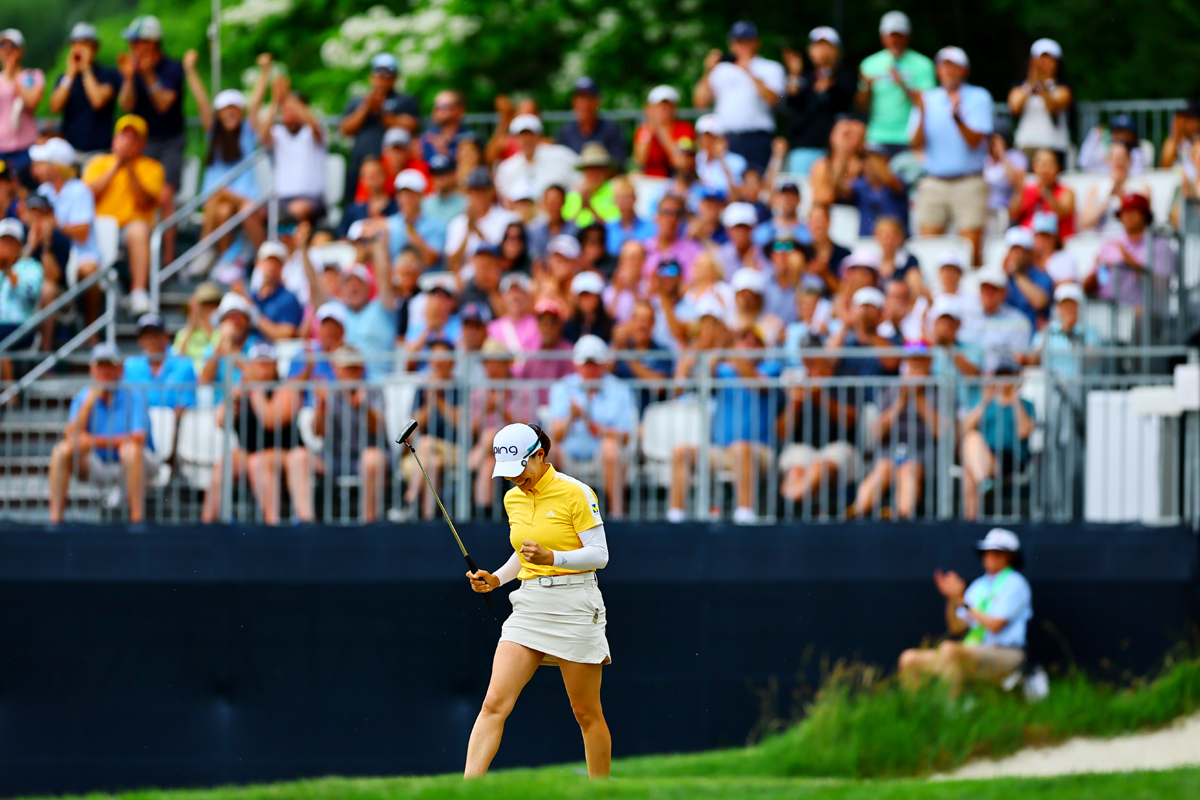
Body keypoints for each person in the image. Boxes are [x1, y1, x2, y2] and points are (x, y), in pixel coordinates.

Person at [464, 422, 611, 778]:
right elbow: (525, 553)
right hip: (529, 605)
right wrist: (496, 578)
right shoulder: (513, 497)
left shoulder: (576, 492)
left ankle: (601, 790)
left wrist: (554, 558)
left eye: (520, 470)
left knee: (585, 712)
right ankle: (467, 790)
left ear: (540, 456)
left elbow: (599, 555)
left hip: (575, 604)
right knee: (494, 703)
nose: (515, 480)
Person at [670, 325, 780, 524]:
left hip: (760, 451)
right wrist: (716, 350)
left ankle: (745, 516)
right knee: (680, 452)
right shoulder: (724, 369)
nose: (749, 344)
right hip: (721, 451)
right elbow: (699, 381)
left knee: (741, 448)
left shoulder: (771, 368)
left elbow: (756, 383)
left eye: (755, 341)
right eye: (744, 340)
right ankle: (674, 518)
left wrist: (731, 350)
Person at [898, 528, 1032, 691]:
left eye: (998, 552)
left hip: (1006, 653)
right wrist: (952, 598)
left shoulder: (1016, 583)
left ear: (1011, 556)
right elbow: (956, 627)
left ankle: (951, 713)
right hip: (974, 649)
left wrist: (963, 601)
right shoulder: (978, 586)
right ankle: (918, 713)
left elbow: (995, 625)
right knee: (909, 659)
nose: (990, 556)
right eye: (987, 552)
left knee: (950, 650)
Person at [49, 344, 156, 525]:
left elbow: (138, 438)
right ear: (92, 370)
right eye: (100, 366)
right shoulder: (84, 396)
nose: (105, 371)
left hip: (140, 462)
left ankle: (137, 522)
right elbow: (70, 436)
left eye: (110, 366)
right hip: (99, 464)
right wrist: (89, 402)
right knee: (61, 451)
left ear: (120, 369)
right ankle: (55, 522)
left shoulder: (135, 394)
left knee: (130, 450)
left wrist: (93, 442)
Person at [200, 342, 301, 525]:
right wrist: (234, 400)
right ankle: (209, 523)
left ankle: (272, 523)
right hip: (251, 451)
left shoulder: (285, 389)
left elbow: (271, 421)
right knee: (224, 465)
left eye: (267, 363)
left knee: (258, 462)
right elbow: (221, 421)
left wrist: (256, 390)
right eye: (258, 363)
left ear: (275, 365)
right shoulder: (242, 391)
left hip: (286, 452)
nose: (263, 367)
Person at [910, 46, 993, 265]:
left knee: (971, 251)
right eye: (943, 65)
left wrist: (957, 118)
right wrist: (921, 113)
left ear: (964, 70)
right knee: (928, 249)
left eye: (953, 66)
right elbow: (915, 143)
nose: (947, 71)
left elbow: (975, 140)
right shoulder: (926, 99)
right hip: (934, 182)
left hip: (968, 182)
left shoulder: (979, 97)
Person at [286, 346, 387, 524]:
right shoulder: (328, 394)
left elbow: (379, 428)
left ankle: (369, 523)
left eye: (354, 367)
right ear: (336, 369)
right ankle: (306, 522)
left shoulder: (373, 391)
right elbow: (317, 432)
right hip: (332, 459)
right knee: (298, 456)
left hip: (362, 459)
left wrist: (364, 408)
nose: (350, 372)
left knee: (372, 458)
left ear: (361, 368)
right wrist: (322, 406)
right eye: (345, 367)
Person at [185, 54, 269, 269]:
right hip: (220, 203)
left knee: (219, 192)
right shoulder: (213, 134)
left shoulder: (248, 134)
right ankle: (225, 260)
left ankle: (204, 247)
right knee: (222, 210)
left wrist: (265, 72)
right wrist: (190, 70)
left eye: (235, 108)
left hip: (243, 198)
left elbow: (257, 101)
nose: (231, 113)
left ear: (240, 112)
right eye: (226, 109)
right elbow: (202, 101)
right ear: (219, 113)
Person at [116, 16, 185, 263]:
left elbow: (164, 104)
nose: (132, 46)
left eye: (137, 41)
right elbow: (126, 104)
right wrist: (128, 77)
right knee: (138, 194)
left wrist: (146, 75)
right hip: (143, 142)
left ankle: (168, 261)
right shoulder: (133, 71)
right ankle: (144, 258)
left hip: (170, 140)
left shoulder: (172, 68)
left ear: (152, 42)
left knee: (165, 197)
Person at [81, 114, 163, 314]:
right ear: (114, 140)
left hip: (131, 228)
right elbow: (85, 196)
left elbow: (145, 201)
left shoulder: (152, 167)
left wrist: (129, 168)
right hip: (99, 227)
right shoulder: (98, 163)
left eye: (134, 138)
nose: (128, 142)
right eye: (124, 136)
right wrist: (116, 166)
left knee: (138, 231)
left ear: (142, 143)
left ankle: (138, 292)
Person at [548, 335, 637, 518]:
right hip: (568, 455)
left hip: (602, 454)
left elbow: (626, 435)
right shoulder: (562, 387)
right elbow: (554, 435)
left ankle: (616, 515)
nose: (589, 369)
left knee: (610, 449)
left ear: (603, 363)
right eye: (585, 363)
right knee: (545, 453)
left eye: (594, 363)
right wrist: (572, 418)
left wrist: (593, 425)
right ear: (576, 364)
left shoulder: (620, 389)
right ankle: (551, 517)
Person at [851, 342, 939, 519]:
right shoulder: (891, 390)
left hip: (923, 455)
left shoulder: (938, 390)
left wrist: (919, 397)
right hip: (889, 453)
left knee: (908, 470)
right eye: (912, 360)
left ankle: (902, 518)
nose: (916, 365)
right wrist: (902, 399)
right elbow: (876, 432)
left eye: (920, 360)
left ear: (929, 362)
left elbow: (941, 432)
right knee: (883, 468)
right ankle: (857, 512)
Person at [31, 137, 102, 330]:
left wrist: (55, 224)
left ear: (55, 168)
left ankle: (91, 327)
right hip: (55, 253)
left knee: (88, 271)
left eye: (41, 164)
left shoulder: (80, 190)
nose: (35, 168)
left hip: (82, 254)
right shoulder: (43, 190)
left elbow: (82, 234)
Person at [777, 338, 858, 507]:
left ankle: (788, 501)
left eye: (813, 353)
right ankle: (792, 501)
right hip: (803, 448)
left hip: (839, 446)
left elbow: (851, 420)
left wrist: (819, 396)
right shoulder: (797, 382)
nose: (809, 359)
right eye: (805, 355)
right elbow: (782, 432)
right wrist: (795, 404)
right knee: (796, 469)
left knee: (820, 467)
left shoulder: (845, 376)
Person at [693, 21, 785, 169]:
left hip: (758, 139)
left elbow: (777, 99)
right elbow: (700, 102)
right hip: (727, 139)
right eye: (736, 41)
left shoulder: (771, 67)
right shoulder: (721, 70)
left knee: (757, 184)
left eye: (744, 41)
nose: (740, 46)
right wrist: (708, 71)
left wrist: (748, 71)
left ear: (755, 43)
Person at [338, 53, 419, 205]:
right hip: (360, 166)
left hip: (391, 168)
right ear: (371, 76)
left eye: (387, 74)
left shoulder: (405, 100)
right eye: (378, 73)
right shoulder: (357, 101)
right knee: (355, 206)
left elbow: (411, 125)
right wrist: (366, 108)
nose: (382, 78)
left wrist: (381, 111)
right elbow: (345, 129)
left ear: (395, 77)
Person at [960, 362, 1035, 520]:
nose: (1004, 380)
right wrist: (984, 401)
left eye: (1008, 376)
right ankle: (973, 515)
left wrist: (1014, 399)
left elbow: (1024, 431)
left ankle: (971, 520)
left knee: (969, 472)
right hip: (986, 456)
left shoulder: (1026, 404)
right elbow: (964, 429)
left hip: (1011, 457)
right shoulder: (985, 403)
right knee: (971, 440)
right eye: (1000, 376)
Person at [856, 11, 935, 156]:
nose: (895, 40)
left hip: (910, 137)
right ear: (882, 37)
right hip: (876, 136)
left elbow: (928, 106)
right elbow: (861, 107)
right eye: (891, 35)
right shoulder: (869, 64)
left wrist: (904, 85)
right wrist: (866, 88)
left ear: (908, 37)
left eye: (899, 35)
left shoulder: (924, 65)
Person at [781, 27, 855, 176]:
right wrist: (794, 73)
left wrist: (828, 73)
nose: (822, 51)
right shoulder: (804, 79)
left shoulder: (846, 78)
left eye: (827, 46)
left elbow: (846, 102)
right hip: (803, 149)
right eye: (818, 46)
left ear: (837, 50)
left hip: (834, 153)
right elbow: (791, 102)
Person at [1084, 193, 1174, 311]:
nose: (1128, 215)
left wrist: (1129, 261)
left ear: (1145, 216)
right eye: (1124, 211)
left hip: (1144, 314)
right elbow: (1088, 287)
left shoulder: (1160, 246)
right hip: (1107, 310)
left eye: (1133, 211)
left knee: (1140, 313)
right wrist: (1095, 275)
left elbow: (1161, 286)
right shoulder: (1110, 245)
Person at [259, 72, 327, 223]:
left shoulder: (313, 131)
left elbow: (314, 125)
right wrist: (276, 101)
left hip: (310, 199)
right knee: (254, 213)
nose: (290, 112)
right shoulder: (278, 133)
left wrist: (287, 95)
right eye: (286, 109)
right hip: (280, 199)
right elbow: (262, 137)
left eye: (294, 108)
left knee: (296, 210)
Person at [48, 23, 122, 157]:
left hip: (99, 150)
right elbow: (55, 107)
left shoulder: (108, 75)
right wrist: (70, 74)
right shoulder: (65, 78)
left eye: (83, 44)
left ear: (95, 48)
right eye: (75, 44)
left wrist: (86, 70)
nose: (78, 49)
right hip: (70, 151)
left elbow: (98, 101)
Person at [1009, 39, 1072, 165]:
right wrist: (1031, 83)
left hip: (1053, 146)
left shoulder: (1063, 88)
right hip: (1025, 146)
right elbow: (1014, 107)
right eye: (1040, 60)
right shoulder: (1021, 87)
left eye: (1048, 59)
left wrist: (1041, 85)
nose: (1043, 64)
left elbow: (1053, 107)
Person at [445, 168, 519, 270]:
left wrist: (476, 230)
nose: (477, 195)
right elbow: (451, 263)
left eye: (482, 190)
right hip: (468, 279)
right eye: (473, 190)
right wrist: (468, 232)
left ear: (491, 191)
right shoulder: (457, 223)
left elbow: (505, 258)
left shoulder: (508, 219)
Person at [494, 114, 578, 204]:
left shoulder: (561, 156)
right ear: (514, 139)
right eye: (522, 136)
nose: (526, 140)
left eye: (530, 135)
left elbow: (581, 178)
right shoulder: (506, 168)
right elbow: (507, 201)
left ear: (538, 136)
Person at [122, 313, 196, 412]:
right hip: (141, 426)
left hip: (177, 425)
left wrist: (171, 424)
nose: (150, 340)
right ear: (139, 340)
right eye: (146, 336)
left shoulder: (184, 366)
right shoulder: (130, 367)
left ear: (165, 336)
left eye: (155, 335)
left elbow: (186, 404)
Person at [0, 218, 43, 384]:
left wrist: (9, 269)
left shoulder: (31, 266)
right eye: (4, 242)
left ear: (19, 245)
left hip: (22, 326)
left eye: (12, 242)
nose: (7, 247)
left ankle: (10, 393)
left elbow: (30, 295)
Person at [961, 267, 1033, 365]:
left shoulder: (1019, 321)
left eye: (994, 289)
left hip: (1001, 378)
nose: (988, 293)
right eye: (985, 288)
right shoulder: (965, 316)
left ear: (1005, 292)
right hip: (965, 377)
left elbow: (1019, 359)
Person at [0, 28, 45, 182]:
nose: (7, 50)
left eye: (11, 46)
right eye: (3, 46)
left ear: (20, 50)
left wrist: (14, 77)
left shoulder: (32, 76)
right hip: (1, 148)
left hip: (25, 147)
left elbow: (32, 103)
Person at [1029, 282, 1099, 376]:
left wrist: (1070, 334)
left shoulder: (1090, 331)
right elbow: (1033, 360)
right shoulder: (1048, 329)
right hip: (1052, 386)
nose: (1068, 309)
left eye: (1072, 305)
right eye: (1064, 305)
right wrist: (1045, 338)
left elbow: (1090, 360)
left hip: (1082, 386)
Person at [840, 142, 908, 238]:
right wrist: (843, 154)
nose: (870, 164)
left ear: (886, 161)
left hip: (895, 244)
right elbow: (840, 189)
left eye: (876, 160)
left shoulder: (897, 181)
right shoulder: (860, 185)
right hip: (866, 244)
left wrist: (867, 153)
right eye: (865, 160)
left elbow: (890, 180)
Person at [557, 76, 627, 166]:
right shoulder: (565, 133)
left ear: (598, 101)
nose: (585, 104)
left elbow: (619, 164)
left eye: (589, 98)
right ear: (574, 102)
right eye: (581, 99)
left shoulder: (612, 131)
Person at [1078, 143, 1147, 234]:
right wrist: (1106, 200)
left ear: (1129, 160)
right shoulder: (1096, 188)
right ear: (1108, 160)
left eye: (1122, 157)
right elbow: (1084, 224)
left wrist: (1122, 198)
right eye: (1115, 158)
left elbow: (1146, 221)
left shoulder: (1142, 188)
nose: (1119, 162)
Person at [1009, 148, 1075, 240]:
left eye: (1049, 164)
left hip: (1055, 243)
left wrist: (1048, 194)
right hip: (1027, 242)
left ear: (1057, 168)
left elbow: (1062, 213)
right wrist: (1018, 189)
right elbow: (1012, 215)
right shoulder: (1026, 190)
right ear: (1034, 167)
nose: (1045, 169)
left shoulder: (1067, 192)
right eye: (1042, 164)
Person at [632, 85, 694, 178]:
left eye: (668, 106)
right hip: (650, 179)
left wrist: (663, 132)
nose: (664, 110)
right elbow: (639, 160)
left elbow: (679, 162)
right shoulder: (643, 130)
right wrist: (649, 132)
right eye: (659, 106)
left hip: (676, 180)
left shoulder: (685, 129)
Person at [385, 169, 444, 265]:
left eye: (410, 194)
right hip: (397, 278)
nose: (405, 198)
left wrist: (410, 228)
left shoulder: (436, 224)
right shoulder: (389, 223)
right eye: (401, 194)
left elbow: (430, 260)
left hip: (427, 278)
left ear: (420, 196)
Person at [1000, 225, 1053, 329]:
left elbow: (1039, 302)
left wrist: (1017, 274)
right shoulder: (1004, 278)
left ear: (1029, 254)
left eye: (1019, 251)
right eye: (1012, 250)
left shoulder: (1042, 277)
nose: (1015, 255)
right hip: (1006, 334)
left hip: (1032, 337)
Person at [641, 194, 703, 282]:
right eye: (666, 212)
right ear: (657, 216)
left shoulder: (694, 251)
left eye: (677, 214)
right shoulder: (644, 249)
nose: (671, 219)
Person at [563, 144, 619, 227]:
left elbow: (615, 230)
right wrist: (581, 207)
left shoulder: (616, 192)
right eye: (589, 168)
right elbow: (565, 229)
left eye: (598, 168)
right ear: (583, 171)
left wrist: (590, 207)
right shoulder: (572, 195)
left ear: (606, 171)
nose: (593, 173)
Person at [172, 281, 224, 370]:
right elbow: (176, 360)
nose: (207, 309)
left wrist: (205, 325)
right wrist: (191, 326)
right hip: (188, 379)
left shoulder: (222, 331)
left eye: (212, 304)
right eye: (204, 305)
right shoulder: (183, 333)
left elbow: (219, 354)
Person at [983, 129, 1029, 228]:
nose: (994, 145)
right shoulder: (984, 158)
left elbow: (1015, 182)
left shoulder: (1016, 156)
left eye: (997, 141)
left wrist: (1002, 156)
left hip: (1006, 210)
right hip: (985, 210)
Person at [694, 115, 747, 197]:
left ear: (722, 139)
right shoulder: (695, 158)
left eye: (712, 137)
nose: (707, 141)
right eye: (704, 137)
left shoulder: (737, 161)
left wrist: (721, 159)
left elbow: (737, 194)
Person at [1077, 114, 1147, 175]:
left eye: (1125, 132)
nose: (1122, 136)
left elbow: (1138, 173)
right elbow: (1083, 163)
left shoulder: (1137, 154)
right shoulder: (1105, 150)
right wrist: (1094, 136)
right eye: (1119, 132)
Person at [604, 178, 654, 255]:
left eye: (628, 197)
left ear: (635, 198)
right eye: (620, 198)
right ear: (614, 201)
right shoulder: (608, 228)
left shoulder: (651, 227)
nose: (625, 202)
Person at [420, 89, 470, 162]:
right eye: (436, 107)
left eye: (443, 107)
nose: (436, 111)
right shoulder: (426, 138)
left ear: (459, 110)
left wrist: (447, 154)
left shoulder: (469, 138)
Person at [565, 271, 613, 343]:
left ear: (598, 297)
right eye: (583, 296)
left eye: (590, 295)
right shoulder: (568, 327)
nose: (587, 300)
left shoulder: (610, 326)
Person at [1160, 98, 1200, 171]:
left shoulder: (1197, 142)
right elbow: (1164, 168)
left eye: (1190, 119)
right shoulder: (1173, 142)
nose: (1185, 123)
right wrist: (1176, 136)